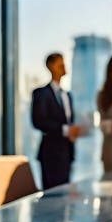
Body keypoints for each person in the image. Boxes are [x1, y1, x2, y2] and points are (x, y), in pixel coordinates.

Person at [32, 53, 82, 190]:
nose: (64, 66)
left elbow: (69, 121)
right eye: (60, 64)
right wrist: (65, 130)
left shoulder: (68, 95)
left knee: (65, 193)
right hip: (50, 154)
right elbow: (38, 121)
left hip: (67, 152)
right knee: (52, 195)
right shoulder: (41, 93)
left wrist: (74, 131)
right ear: (50, 66)